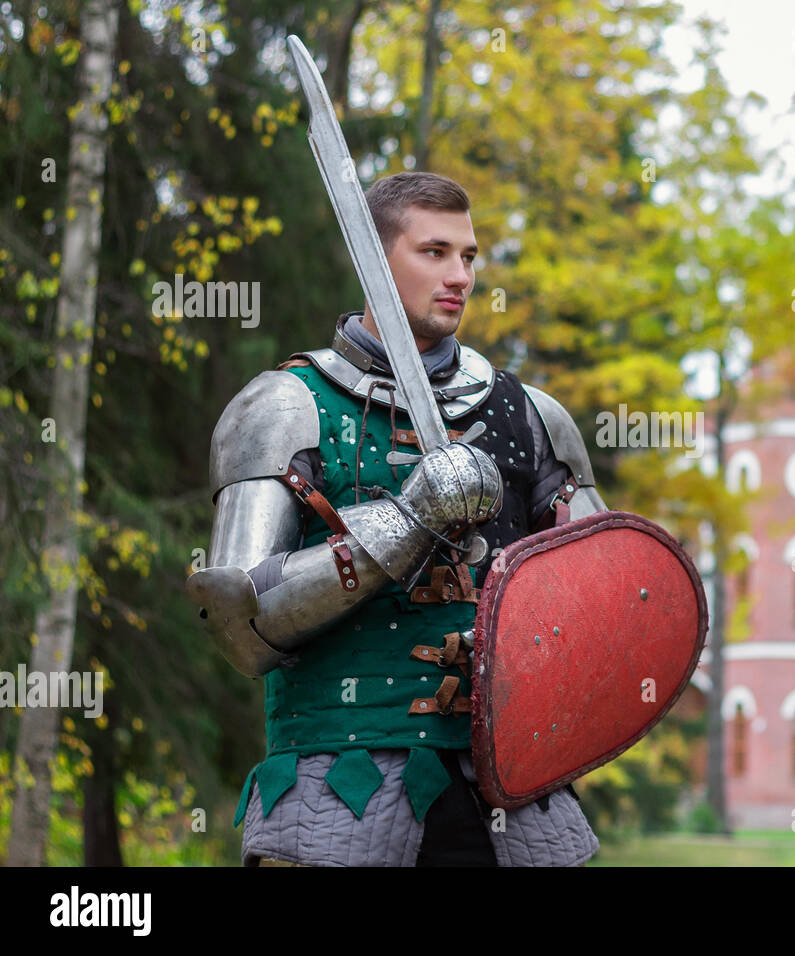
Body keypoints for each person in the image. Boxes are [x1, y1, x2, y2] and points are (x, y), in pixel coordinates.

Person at [186, 172, 604, 866]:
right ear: (375, 261)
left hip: (515, 792)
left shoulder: (531, 415)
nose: (460, 276)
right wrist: (408, 521)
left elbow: (600, 598)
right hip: (336, 787)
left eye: (469, 256)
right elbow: (240, 622)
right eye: (434, 252)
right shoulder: (286, 406)